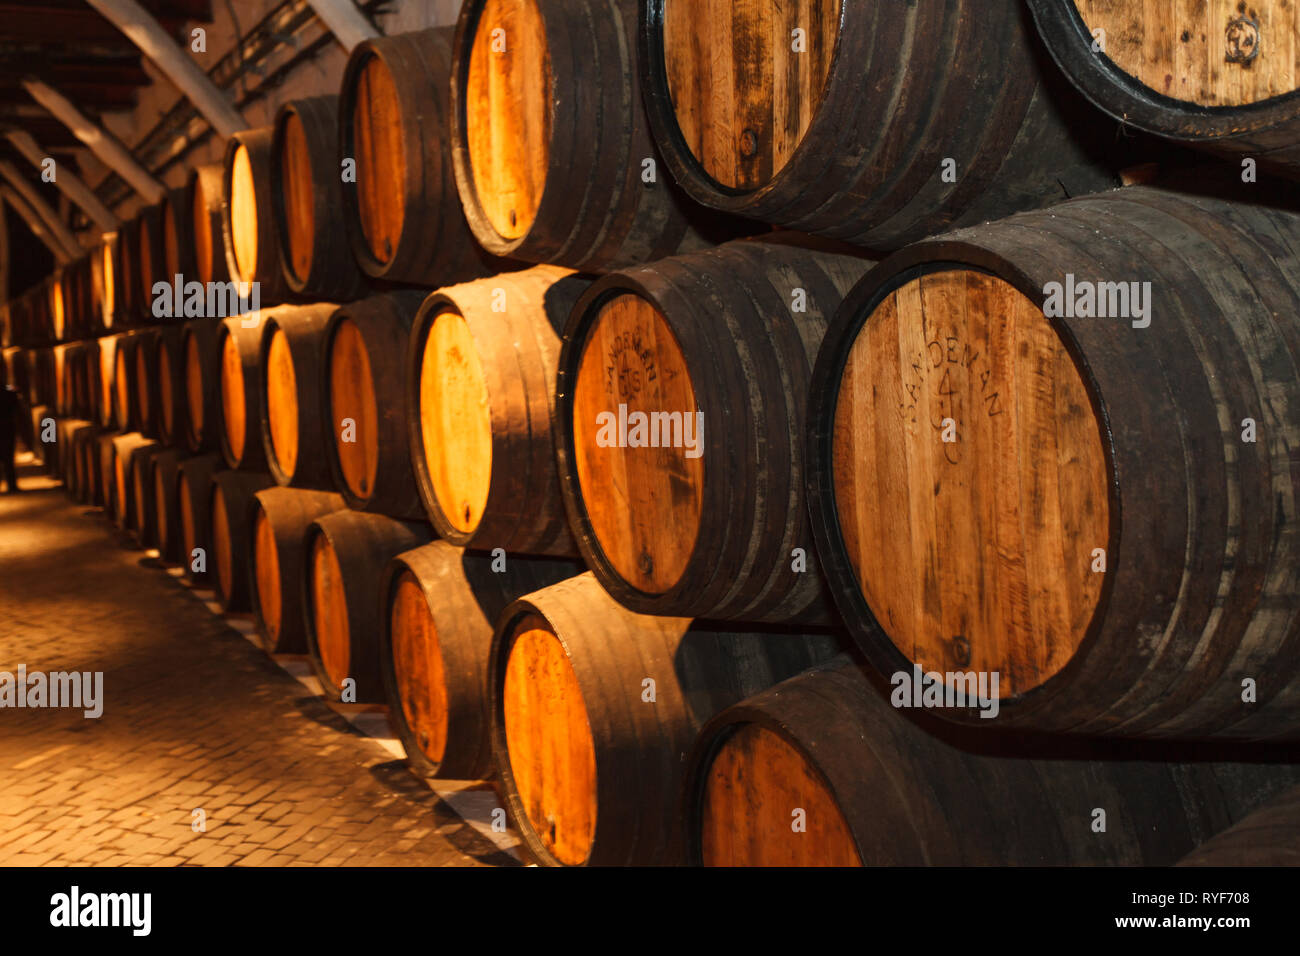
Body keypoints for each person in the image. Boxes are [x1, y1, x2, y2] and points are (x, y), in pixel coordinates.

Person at [0, 382, 20, 493]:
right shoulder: (7, 392)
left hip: (6, 428)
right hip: (7, 428)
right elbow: (15, 406)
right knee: (8, 459)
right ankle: (12, 486)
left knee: (7, 458)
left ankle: (12, 485)